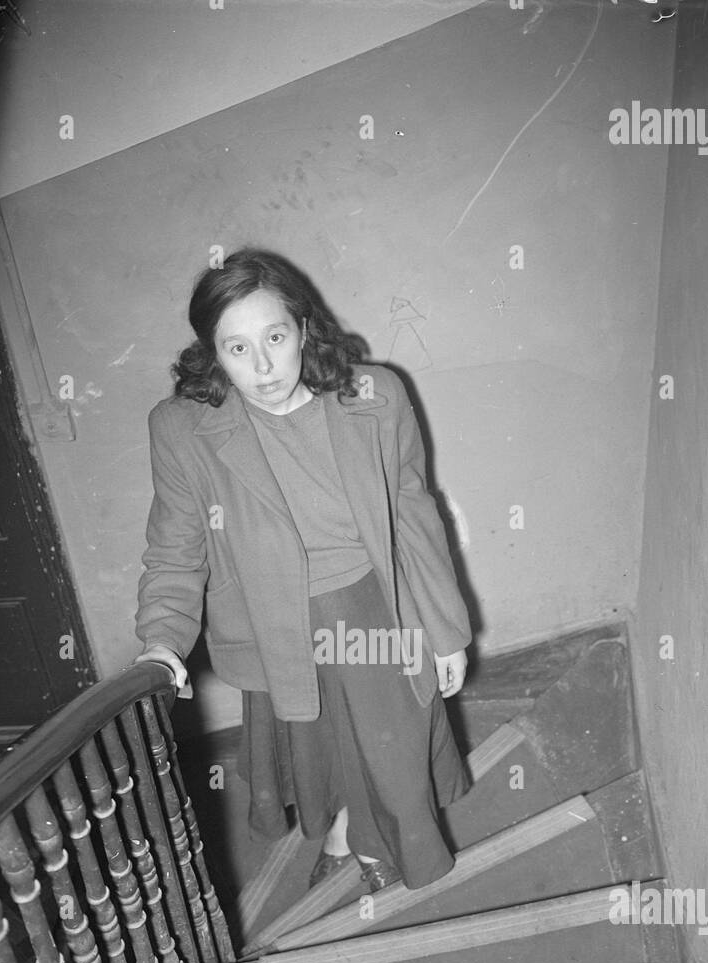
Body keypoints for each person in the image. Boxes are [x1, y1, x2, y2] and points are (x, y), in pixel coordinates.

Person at [134, 248, 472, 897]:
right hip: (273, 618)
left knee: (390, 744)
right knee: (321, 745)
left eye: (275, 338)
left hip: (375, 602)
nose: (261, 368)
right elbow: (176, 546)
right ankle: (347, 829)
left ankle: (373, 845)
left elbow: (413, 510)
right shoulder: (181, 429)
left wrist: (446, 627)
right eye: (237, 348)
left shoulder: (375, 396)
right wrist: (161, 639)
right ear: (212, 352)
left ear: (303, 327)